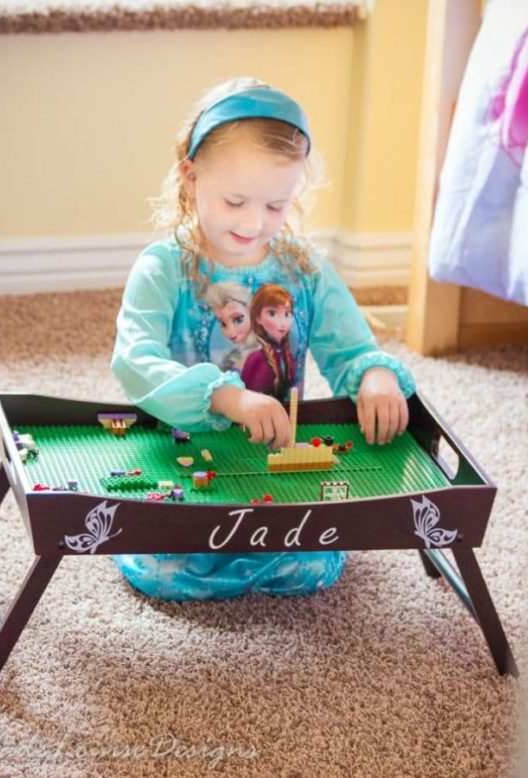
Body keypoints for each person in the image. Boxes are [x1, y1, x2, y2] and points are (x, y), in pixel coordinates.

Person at [111, 76, 415, 601]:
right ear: (190, 177)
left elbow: (352, 348)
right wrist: (225, 397)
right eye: (235, 201)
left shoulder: (304, 268)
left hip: (275, 461)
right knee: (166, 568)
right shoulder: (163, 267)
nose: (254, 222)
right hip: (184, 459)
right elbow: (134, 362)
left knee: (309, 566)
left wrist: (376, 376)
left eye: (276, 206)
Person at [240, 283, 296, 400]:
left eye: (287, 314)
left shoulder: (287, 356)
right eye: (272, 313)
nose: (282, 322)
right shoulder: (256, 358)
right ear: (258, 318)